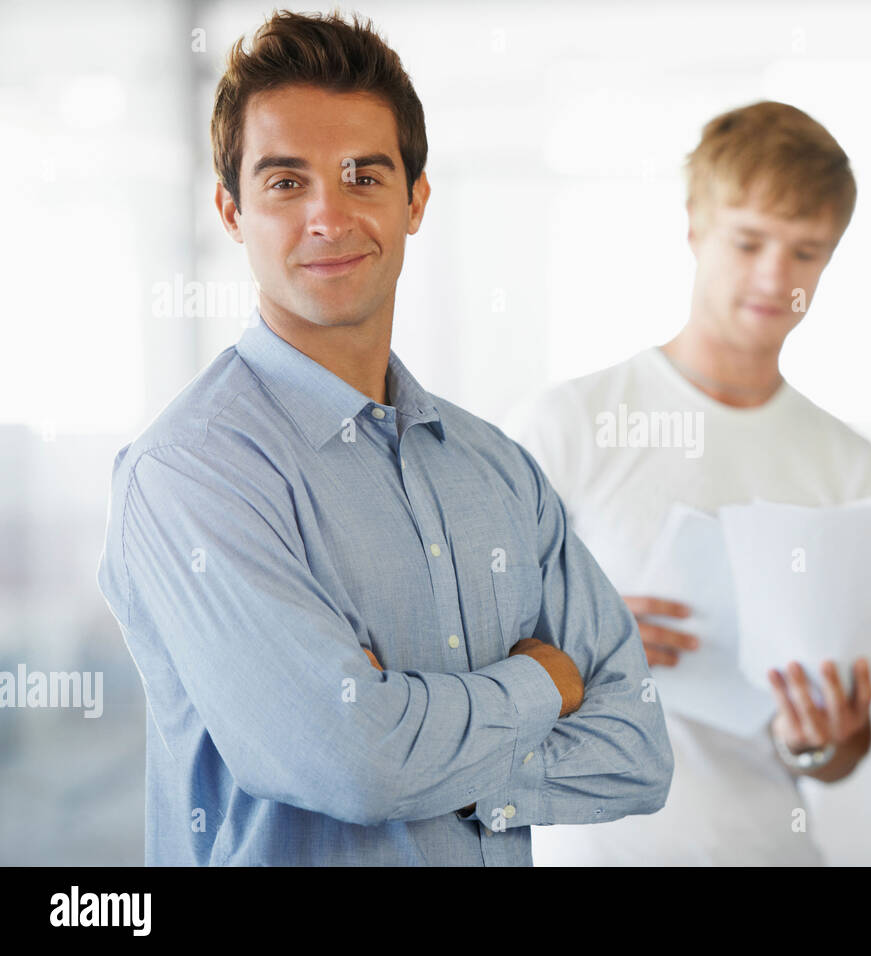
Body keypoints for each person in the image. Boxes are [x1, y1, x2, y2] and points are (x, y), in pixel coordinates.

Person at [94, 9, 672, 866]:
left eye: (363, 175)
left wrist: (405, 719)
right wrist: (542, 683)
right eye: (286, 183)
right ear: (230, 211)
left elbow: (640, 751)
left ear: (416, 201)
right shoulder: (191, 473)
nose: (329, 215)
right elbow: (352, 762)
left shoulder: (498, 469)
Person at [509, 101, 871, 865]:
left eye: (807, 252)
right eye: (748, 241)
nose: (773, 277)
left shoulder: (853, 468)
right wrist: (589, 644)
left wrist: (822, 740)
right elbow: (466, 665)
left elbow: (846, 751)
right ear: (694, 226)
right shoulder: (569, 423)